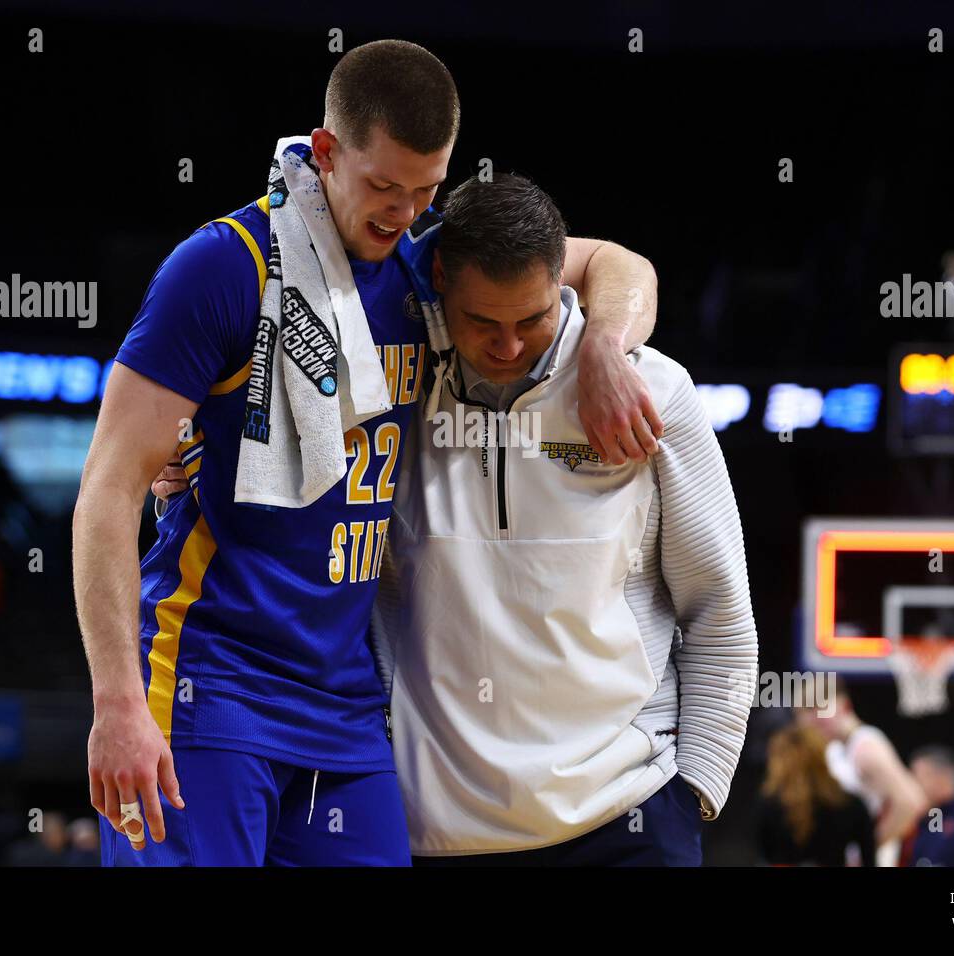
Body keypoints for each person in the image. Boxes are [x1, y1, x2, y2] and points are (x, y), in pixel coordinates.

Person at [76, 39, 662, 867]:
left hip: (343, 700)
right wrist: (117, 701)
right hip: (210, 679)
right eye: (383, 186)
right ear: (325, 152)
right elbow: (106, 489)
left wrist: (601, 344)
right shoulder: (220, 269)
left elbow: (614, 262)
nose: (401, 212)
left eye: (425, 191)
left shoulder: (427, 267)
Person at [361, 174, 757, 865]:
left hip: (629, 820)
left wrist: (695, 789)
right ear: (441, 282)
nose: (510, 346)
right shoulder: (389, 388)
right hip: (437, 832)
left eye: (532, 320)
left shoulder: (654, 390)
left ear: (562, 286)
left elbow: (719, 611)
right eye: (483, 322)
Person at [796, 681, 926, 866]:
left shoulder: (865, 748)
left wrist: (868, 848)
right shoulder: (836, 750)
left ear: (845, 705)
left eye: (818, 710)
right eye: (807, 714)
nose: (812, 721)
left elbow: (911, 802)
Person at [757, 724, 875, 866]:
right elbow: (869, 858)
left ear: (777, 762)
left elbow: (764, 856)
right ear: (821, 754)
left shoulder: (768, 806)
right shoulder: (850, 804)